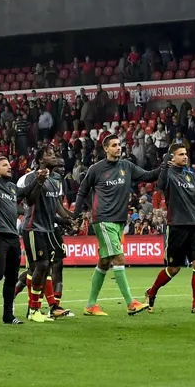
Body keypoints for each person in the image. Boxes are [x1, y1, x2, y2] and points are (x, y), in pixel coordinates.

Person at [74, 133, 158, 317]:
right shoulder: (96, 169)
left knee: (104, 262)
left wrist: (166, 165)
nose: (118, 147)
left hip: (119, 221)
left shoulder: (126, 166)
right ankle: (130, 303)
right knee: (119, 259)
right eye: (113, 145)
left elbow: (149, 176)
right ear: (105, 149)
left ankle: (90, 306)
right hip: (103, 219)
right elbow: (82, 190)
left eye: (119, 144)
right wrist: (76, 213)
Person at [143, 143, 195, 314]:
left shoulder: (191, 175)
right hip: (177, 227)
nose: (185, 156)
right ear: (172, 157)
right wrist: (165, 165)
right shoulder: (169, 174)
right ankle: (152, 292)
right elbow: (161, 184)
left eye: (186, 154)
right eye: (181, 154)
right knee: (174, 268)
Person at [0, 145, 42, 326]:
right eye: (4, 165)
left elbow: (26, 191)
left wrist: (39, 177)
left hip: (13, 237)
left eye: (8, 165)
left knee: (12, 278)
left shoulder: (12, 188)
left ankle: (8, 315)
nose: (9, 167)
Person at [17, 145, 75, 320]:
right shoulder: (30, 178)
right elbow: (29, 200)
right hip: (34, 227)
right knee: (39, 266)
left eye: (54, 153)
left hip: (50, 228)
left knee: (48, 266)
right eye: (49, 154)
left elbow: (56, 204)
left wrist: (69, 217)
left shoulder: (56, 179)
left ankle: (49, 307)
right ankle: (33, 309)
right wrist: (39, 181)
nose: (54, 156)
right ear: (40, 160)